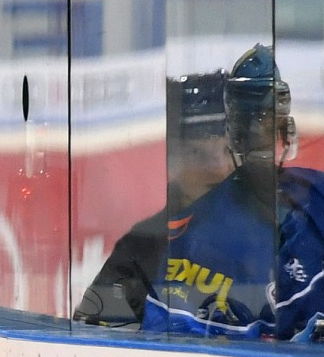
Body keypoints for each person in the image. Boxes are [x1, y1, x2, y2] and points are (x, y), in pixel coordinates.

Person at [144, 44, 324, 344]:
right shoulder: (193, 238)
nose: (265, 135)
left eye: (271, 120)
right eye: (255, 121)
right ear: (236, 133)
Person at [75, 72, 233, 327]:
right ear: (171, 160)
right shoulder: (144, 246)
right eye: (196, 152)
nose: (218, 167)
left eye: (228, 149)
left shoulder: (278, 233)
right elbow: (93, 340)